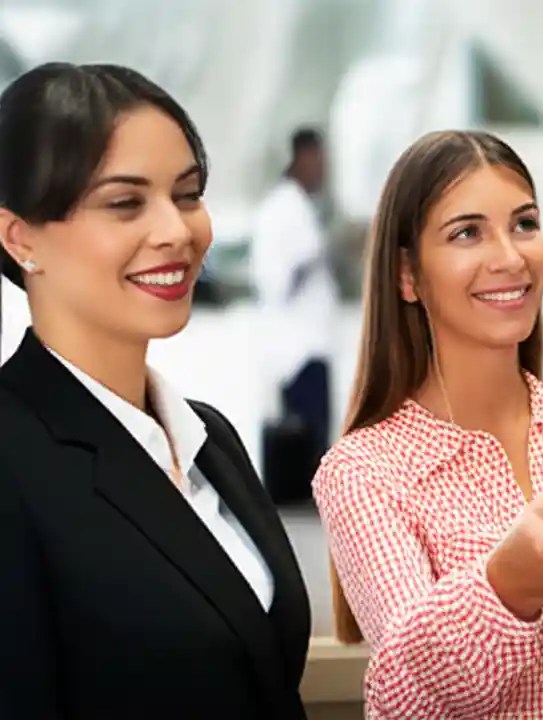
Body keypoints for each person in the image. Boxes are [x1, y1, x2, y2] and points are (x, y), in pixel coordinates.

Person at [0, 63, 310, 719]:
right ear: (20, 236)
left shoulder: (209, 438)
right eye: (125, 202)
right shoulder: (12, 455)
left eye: (188, 194)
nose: (177, 231)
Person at [312, 130, 543, 719]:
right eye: (467, 233)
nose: (510, 257)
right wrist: (506, 587)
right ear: (406, 276)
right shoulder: (365, 473)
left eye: (524, 224)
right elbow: (406, 699)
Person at [250, 127, 339, 503]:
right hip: (299, 345)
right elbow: (277, 276)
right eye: (318, 161)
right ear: (302, 158)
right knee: (308, 433)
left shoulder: (295, 206)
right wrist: (322, 250)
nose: (323, 170)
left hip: (307, 341)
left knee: (311, 432)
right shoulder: (286, 208)